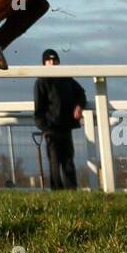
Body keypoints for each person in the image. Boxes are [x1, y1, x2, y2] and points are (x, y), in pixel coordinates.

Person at [33, 49, 87, 190]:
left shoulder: (66, 79)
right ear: (44, 63)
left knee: (68, 162)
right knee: (55, 163)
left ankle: (71, 191)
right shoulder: (41, 82)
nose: (52, 63)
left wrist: (79, 106)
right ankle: (57, 191)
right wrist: (45, 127)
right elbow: (39, 109)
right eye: (49, 60)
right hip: (51, 128)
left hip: (66, 126)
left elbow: (81, 93)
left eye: (55, 60)